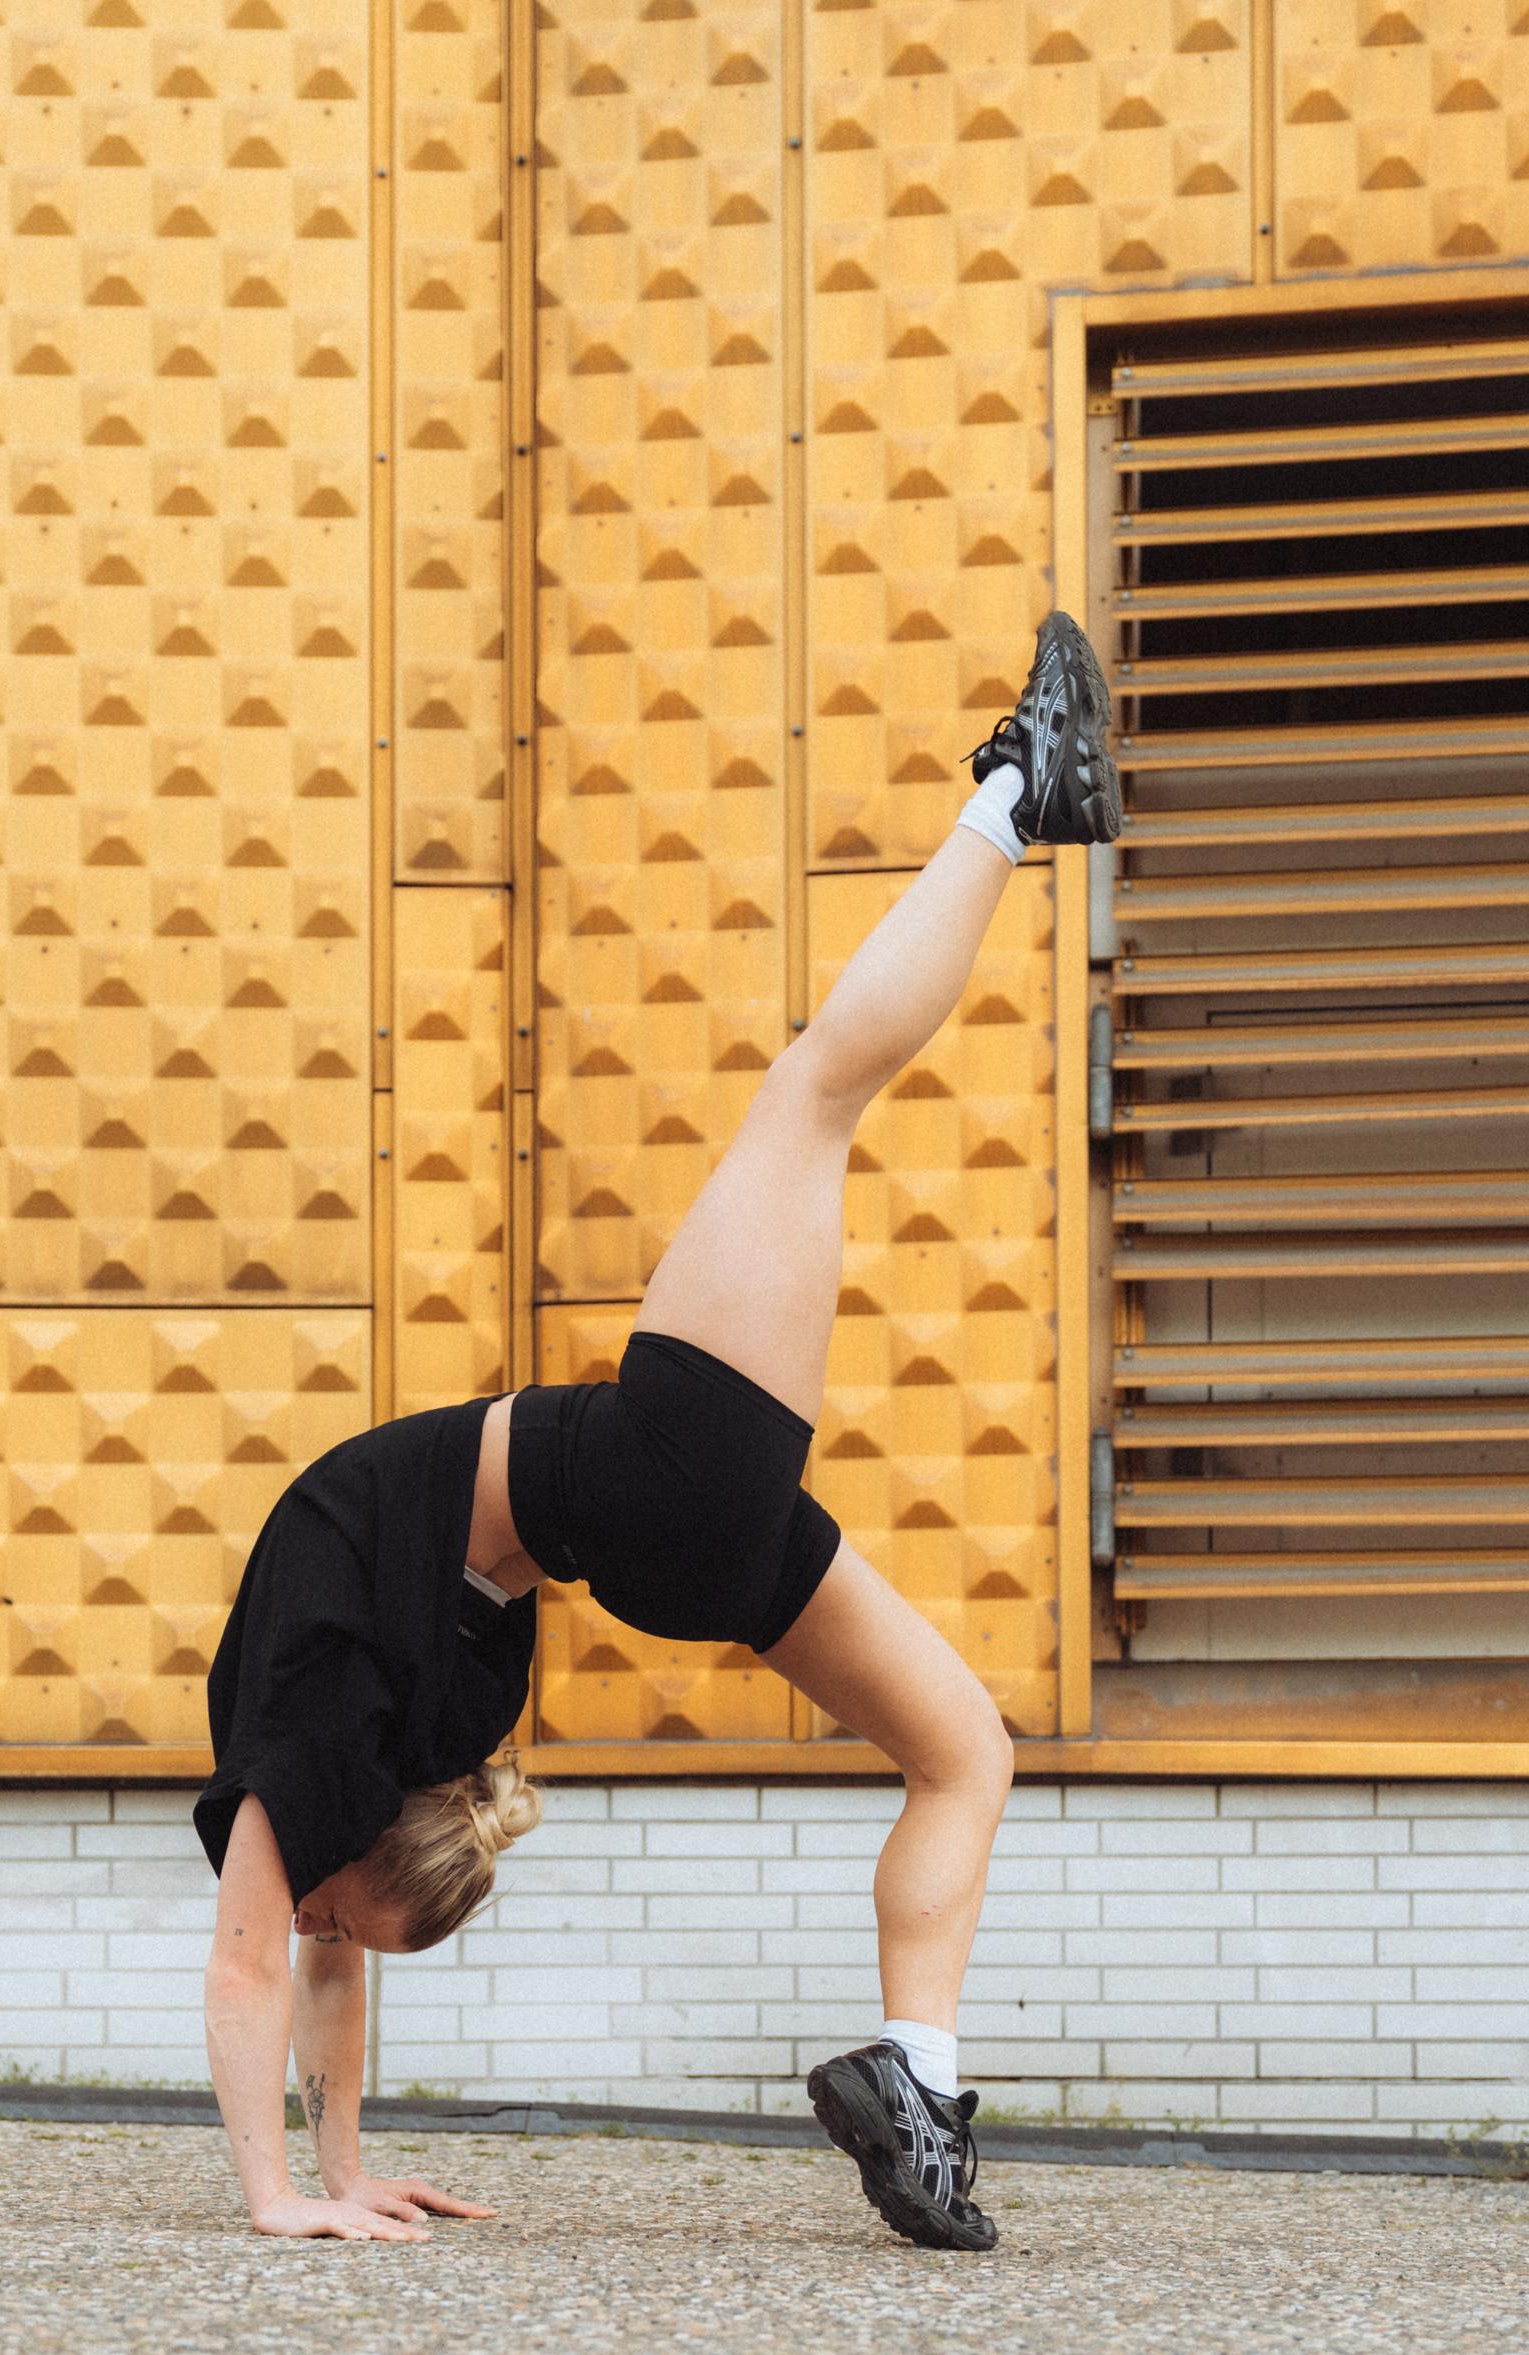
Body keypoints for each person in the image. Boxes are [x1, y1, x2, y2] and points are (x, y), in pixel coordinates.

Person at [196, 614, 1121, 2254]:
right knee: (812, 1093)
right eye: (351, 1909)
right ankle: (1012, 796)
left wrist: (325, 2185)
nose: (309, 1913)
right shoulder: (345, 1742)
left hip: (673, 1529)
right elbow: (279, 1956)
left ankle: (923, 2084)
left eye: (341, 1909)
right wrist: (285, 2198)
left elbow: (296, 1955)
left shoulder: (332, 1741)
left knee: (966, 1747)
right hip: (655, 1482)